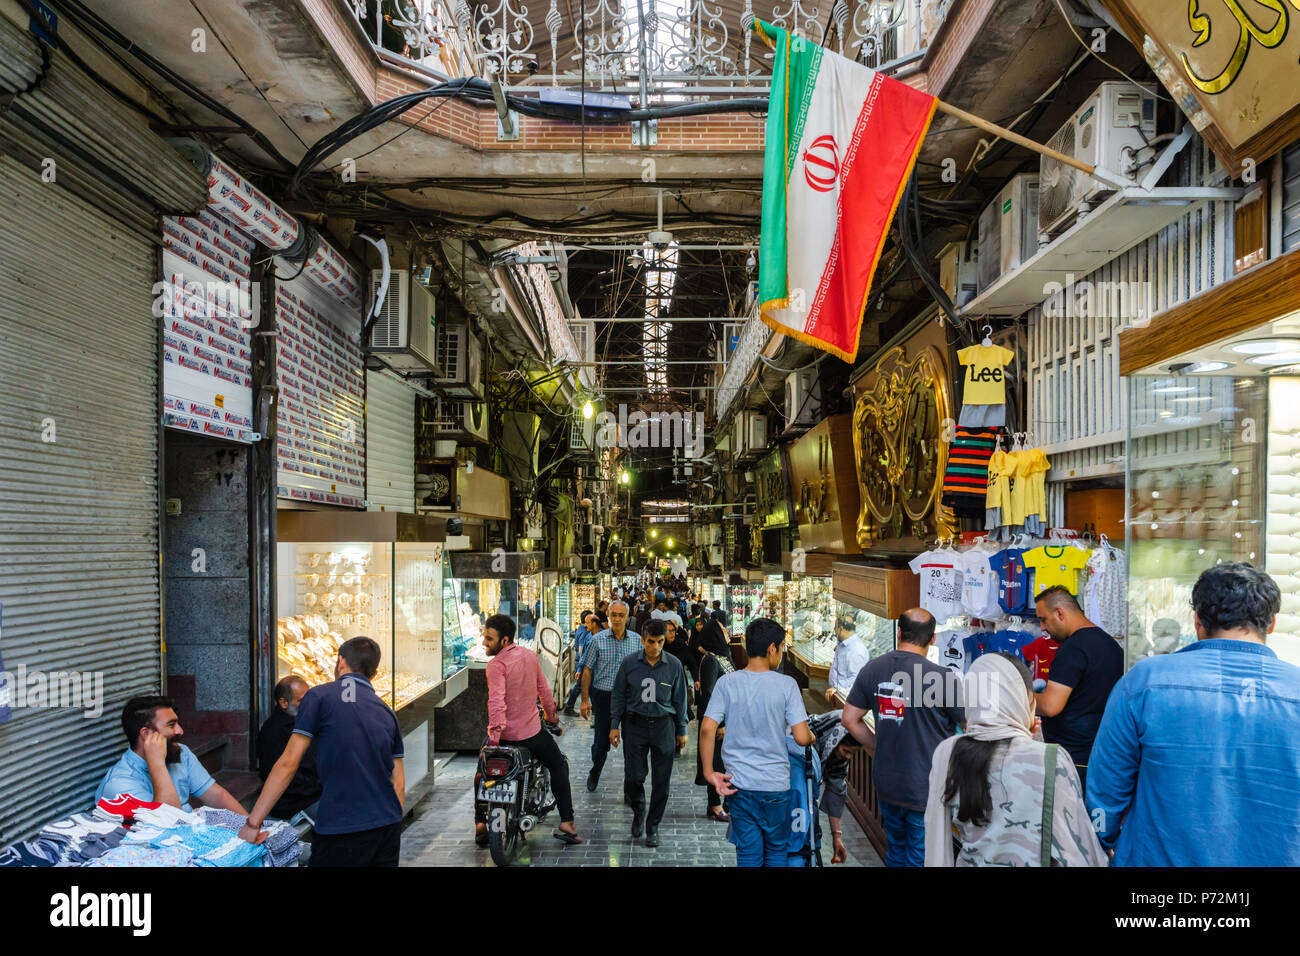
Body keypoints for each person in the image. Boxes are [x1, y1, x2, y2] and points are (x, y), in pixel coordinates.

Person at [1088, 563, 1300, 865]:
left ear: (1197, 620)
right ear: (1273, 623)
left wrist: (1105, 844)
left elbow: (1105, 792)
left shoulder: (1143, 683)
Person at [924, 653, 1107, 866]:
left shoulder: (947, 752)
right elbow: (1077, 850)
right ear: (1024, 699)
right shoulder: (1051, 759)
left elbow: (937, 839)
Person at [240, 637, 405, 866]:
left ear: (340, 662)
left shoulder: (318, 697)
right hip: (387, 825)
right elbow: (398, 783)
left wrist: (252, 823)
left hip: (341, 827)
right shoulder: (387, 712)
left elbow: (288, 763)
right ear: (374, 674)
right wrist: (390, 822)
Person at [841, 608, 963, 867]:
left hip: (887, 782)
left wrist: (878, 744)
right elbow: (972, 726)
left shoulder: (872, 669)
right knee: (921, 855)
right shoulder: (943, 679)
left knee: (896, 848)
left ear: (898, 632)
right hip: (926, 785)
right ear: (932, 640)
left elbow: (849, 719)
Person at [700, 618, 814, 867]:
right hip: (775, 786)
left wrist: (710, 773)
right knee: (776, 852)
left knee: (749, 855)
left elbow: (707, 728)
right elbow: (802, 738)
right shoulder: (787, 685)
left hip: (739, 785)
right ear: (773, 648)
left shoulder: (727, 683)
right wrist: (812, 735)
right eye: (782, 648)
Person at [476, 614, 581, 847]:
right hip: (531, 734)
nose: (484, 642)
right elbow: (544, 690)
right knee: (558, 764)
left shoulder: (496, 665)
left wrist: (493, 739)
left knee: (482, 770)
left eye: (489, 638)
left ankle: (480, 824)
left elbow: (496, 702)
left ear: (504, 641)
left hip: (503, 736)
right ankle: (567, 823)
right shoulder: (528, 656)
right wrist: (551, 717)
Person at [1032, 585, 1122, 792]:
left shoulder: (1073, 648)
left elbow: (1052, 706)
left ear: (1060, 613)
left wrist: (1018, 695)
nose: (1043, 627)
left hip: (1072, 760)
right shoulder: (1110, 644)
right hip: (1099, 754)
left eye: (1043, 619)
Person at [96, 696, 252, 813]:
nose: (180, 731)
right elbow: (167, 824)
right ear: (146, 734)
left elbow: (217, 796)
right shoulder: (120, 785)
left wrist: (250, 827)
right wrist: (156, 764)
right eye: (171, 725)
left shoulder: (180, 753)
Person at [609, 620, 688, 847]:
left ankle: (653, 826)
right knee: (634, 777)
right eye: (651, 642)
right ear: (642, 640)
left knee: (662, 782)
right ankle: (638, 809)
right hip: (635, 726)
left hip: (664, 726)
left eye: (660, 642)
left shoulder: (673, 665)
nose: (655, 646)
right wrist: (615, 725)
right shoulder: (629, 664)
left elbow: (680, 699)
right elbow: (619, 695)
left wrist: (681, 730)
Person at [579, 600, 642, 792]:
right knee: (601, 742)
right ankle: (596, 770)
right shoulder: (597, 640)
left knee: (631, 744)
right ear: (608, 615)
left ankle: (630, 787)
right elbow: (587, 670)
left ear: (627, 617)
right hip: (604, 696)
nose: (616, 619)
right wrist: (584, 700)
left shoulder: (637, 641)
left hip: (630, 698)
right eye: (613, 615)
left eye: (621, 615)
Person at [256, 675, 322, 820]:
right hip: (296, 803)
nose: (308, 704)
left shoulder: (304, 721)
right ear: (284, 702)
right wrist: (320, 785)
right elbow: (286, 780)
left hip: (315, 792)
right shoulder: (272, 733)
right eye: (301, 701)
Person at [806, 711, 863, 864]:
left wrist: (837, 837)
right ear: (834, 742)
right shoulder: (804, 737)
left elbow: (836, 792)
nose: (847, 757)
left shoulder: (838, 755)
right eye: (846, 752)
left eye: (852, 754)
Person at [693, 621, 734, 822]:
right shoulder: (710, 660)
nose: (726, 631)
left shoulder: (725, 656)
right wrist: (720, 722)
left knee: (726, 762)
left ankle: (726, 801)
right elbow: (709, 693)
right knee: (714, 761)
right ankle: (714, 804)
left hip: (728, 719)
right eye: (722, 629)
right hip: (716, 722)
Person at [825, 614, 871, 703]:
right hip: (836, 695)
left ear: (841, 629)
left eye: (835, 628)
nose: (834, 631)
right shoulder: (843, 644)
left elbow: (855, 678)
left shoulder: (856, 650)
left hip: (846, 699)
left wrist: (837, 688)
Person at [563, 611, 598, 715]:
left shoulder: (582, 629)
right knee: (580, 686)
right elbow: (581, 650)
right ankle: (569, 707)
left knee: (589, 686)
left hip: (582, 662)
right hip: (582, 663)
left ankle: (595, 709)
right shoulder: (584, 633)